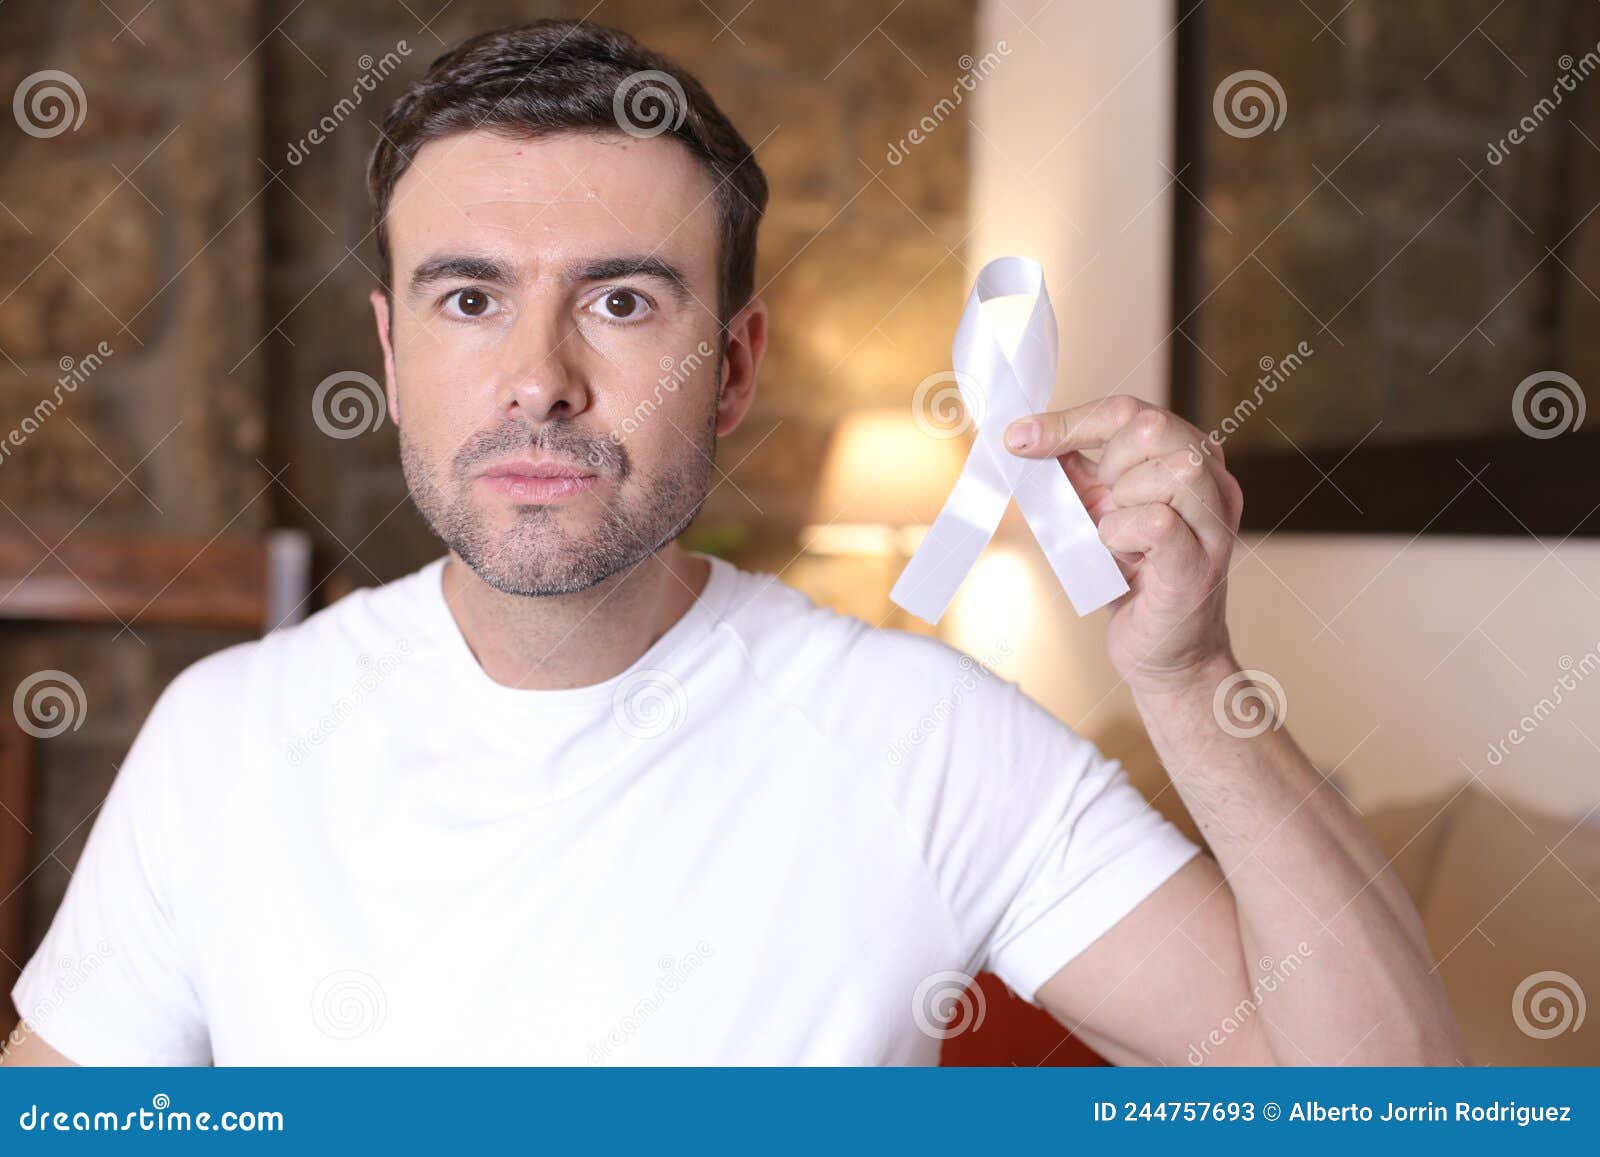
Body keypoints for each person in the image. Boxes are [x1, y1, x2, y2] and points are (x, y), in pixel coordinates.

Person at [4, 19, 1463, 1066]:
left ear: (736, 366)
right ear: (390, 355)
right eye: (470, 300)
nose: (538, 379)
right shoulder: (225, 740)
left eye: (622, 301)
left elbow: (1381, 1109)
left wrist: (1192, 675)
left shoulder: (924, 739)